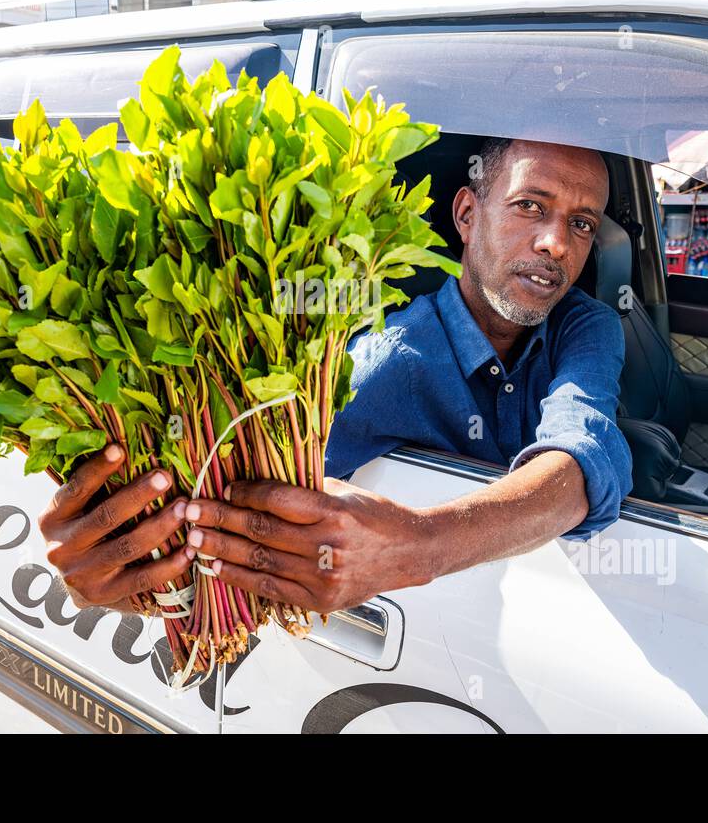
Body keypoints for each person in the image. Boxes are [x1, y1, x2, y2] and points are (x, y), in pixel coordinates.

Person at [38, 139, 633, 613]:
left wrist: (419, 545)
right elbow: (230, 508)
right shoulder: (389, 363)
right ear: (467, 216)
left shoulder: (587, 326)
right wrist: (132, 574)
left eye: (582, 223)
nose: (556, 243)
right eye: (530, 205)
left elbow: (582, 458)